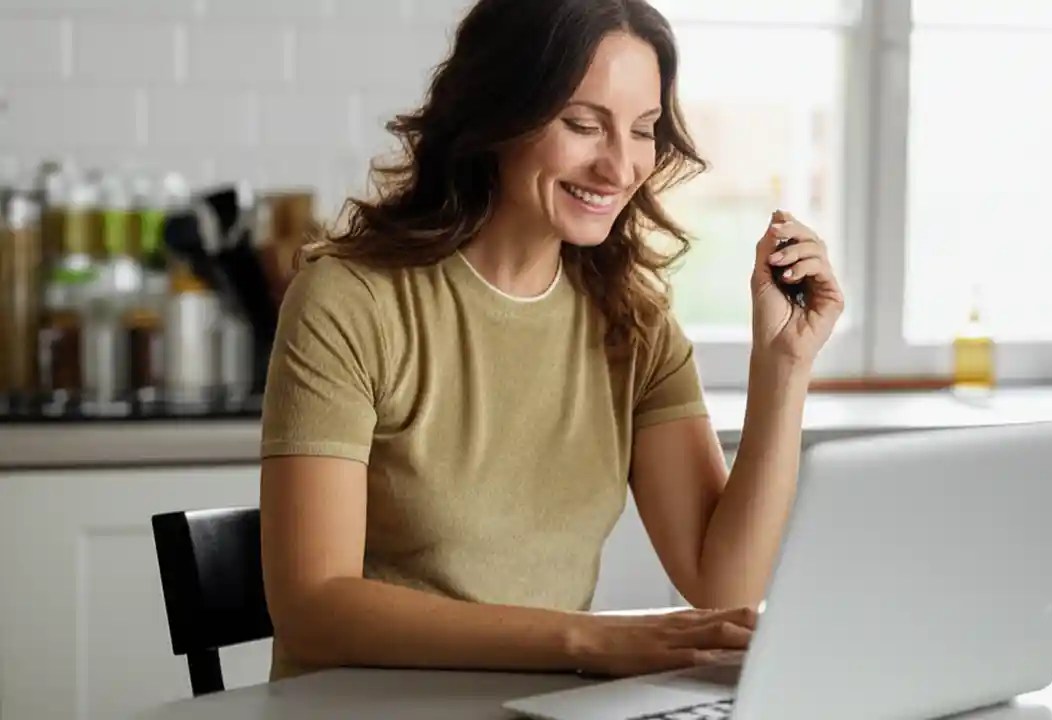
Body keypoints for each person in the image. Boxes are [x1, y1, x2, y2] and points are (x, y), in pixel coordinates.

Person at [258, 0, 845, 682]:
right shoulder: (352, 301)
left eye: (643, 131)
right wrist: (590, 642)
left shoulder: (634, 323)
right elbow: (313, 607)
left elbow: (726, 585)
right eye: (583, 124)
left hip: (540, 706)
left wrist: (783, 366)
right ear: (497, 114)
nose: (620, 167)